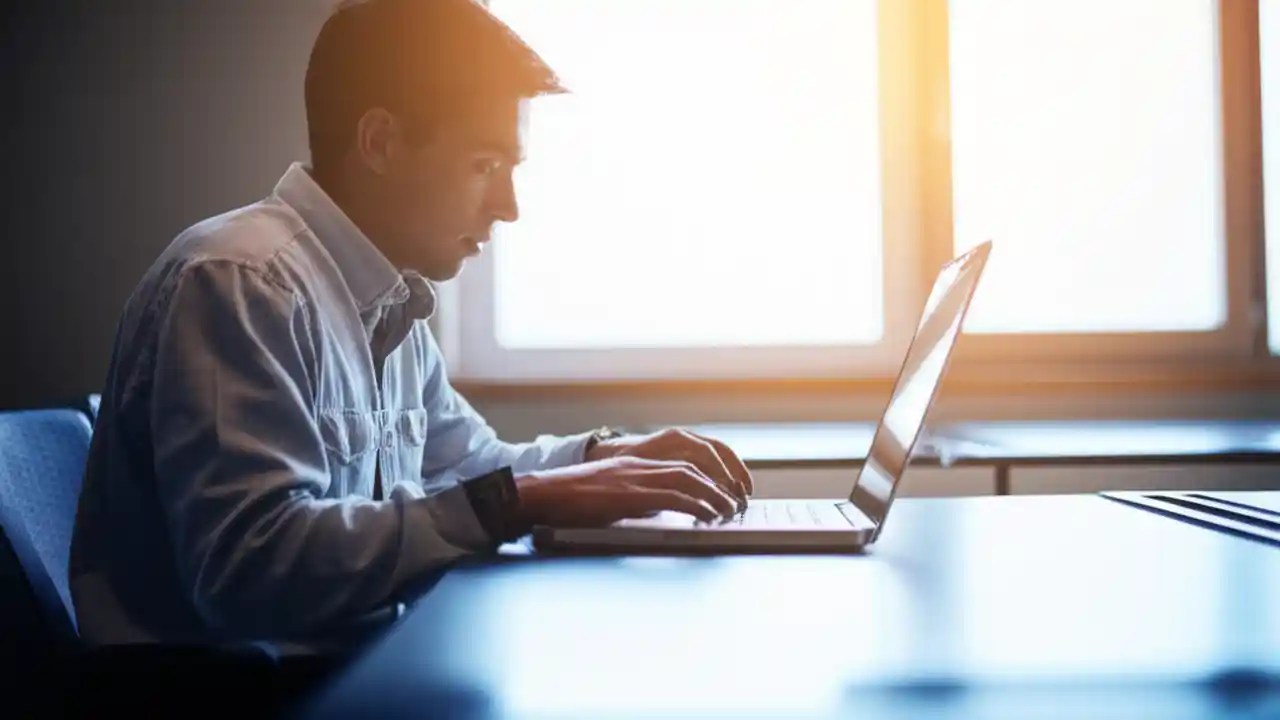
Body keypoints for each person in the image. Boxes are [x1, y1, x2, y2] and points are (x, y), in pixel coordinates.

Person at [70, 0, 752, 647]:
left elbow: (473, 469)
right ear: (381, 142)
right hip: (244, 694)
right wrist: (517, 501)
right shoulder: (240, 283)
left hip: (347, 665)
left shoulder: (390, 304)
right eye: (485, 165)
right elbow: (250, 571)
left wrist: (604, 458)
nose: (508, 207)